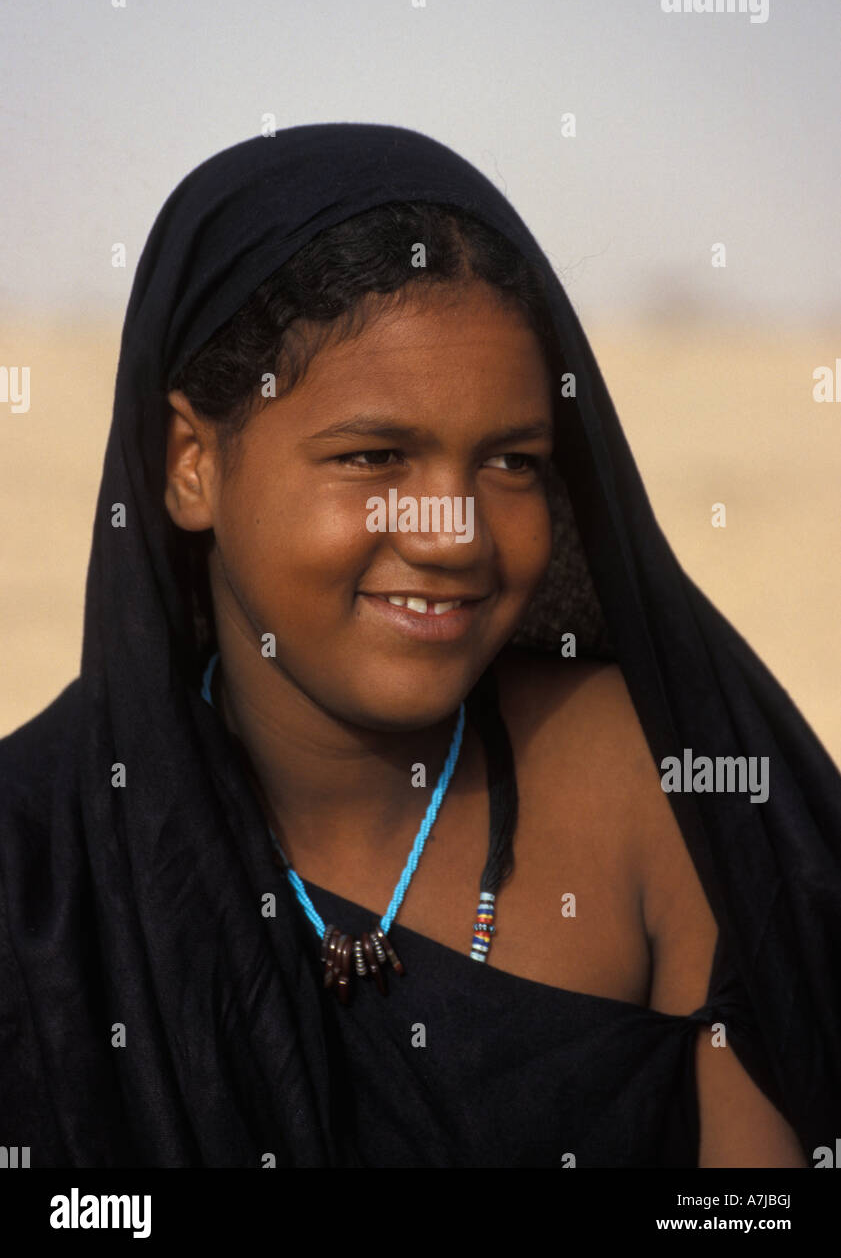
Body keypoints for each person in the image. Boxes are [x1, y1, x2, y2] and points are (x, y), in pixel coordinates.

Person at [1, 122, 839, 1169]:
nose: (453, 535)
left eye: (512, 462)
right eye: (373, 455)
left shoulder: (664, 788)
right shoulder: (42, 873)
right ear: (190, 464)